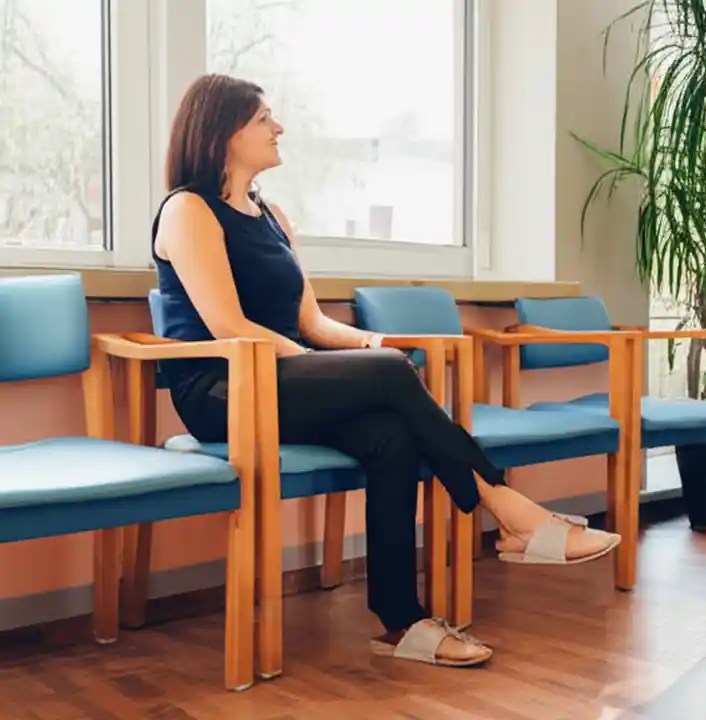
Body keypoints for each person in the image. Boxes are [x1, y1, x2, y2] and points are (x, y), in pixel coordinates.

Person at [152, 74, 621, 668]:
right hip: (222, 389)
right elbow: (229, 327)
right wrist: (356, 368)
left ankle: (402, 622)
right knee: (387, 374)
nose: (279, 127)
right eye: (264, 118)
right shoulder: (188, 210)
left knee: (390, 436)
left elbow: (314, 322)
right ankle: (509, 510)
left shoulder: (271, 217)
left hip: (285, 380)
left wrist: (373, 344)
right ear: (223, 132)